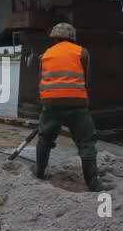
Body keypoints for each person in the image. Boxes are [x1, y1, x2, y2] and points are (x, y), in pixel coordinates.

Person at [35, 22, 111, 192]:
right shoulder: (82, 52)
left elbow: (42, 80)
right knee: (86, 142)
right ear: (72, 37)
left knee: (45, 140)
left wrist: (46, 105)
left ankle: (39, 173)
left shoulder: (44, 55)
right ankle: (93, 183)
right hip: (76, 104)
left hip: (50, 104)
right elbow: (86, 79)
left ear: (54, 37)